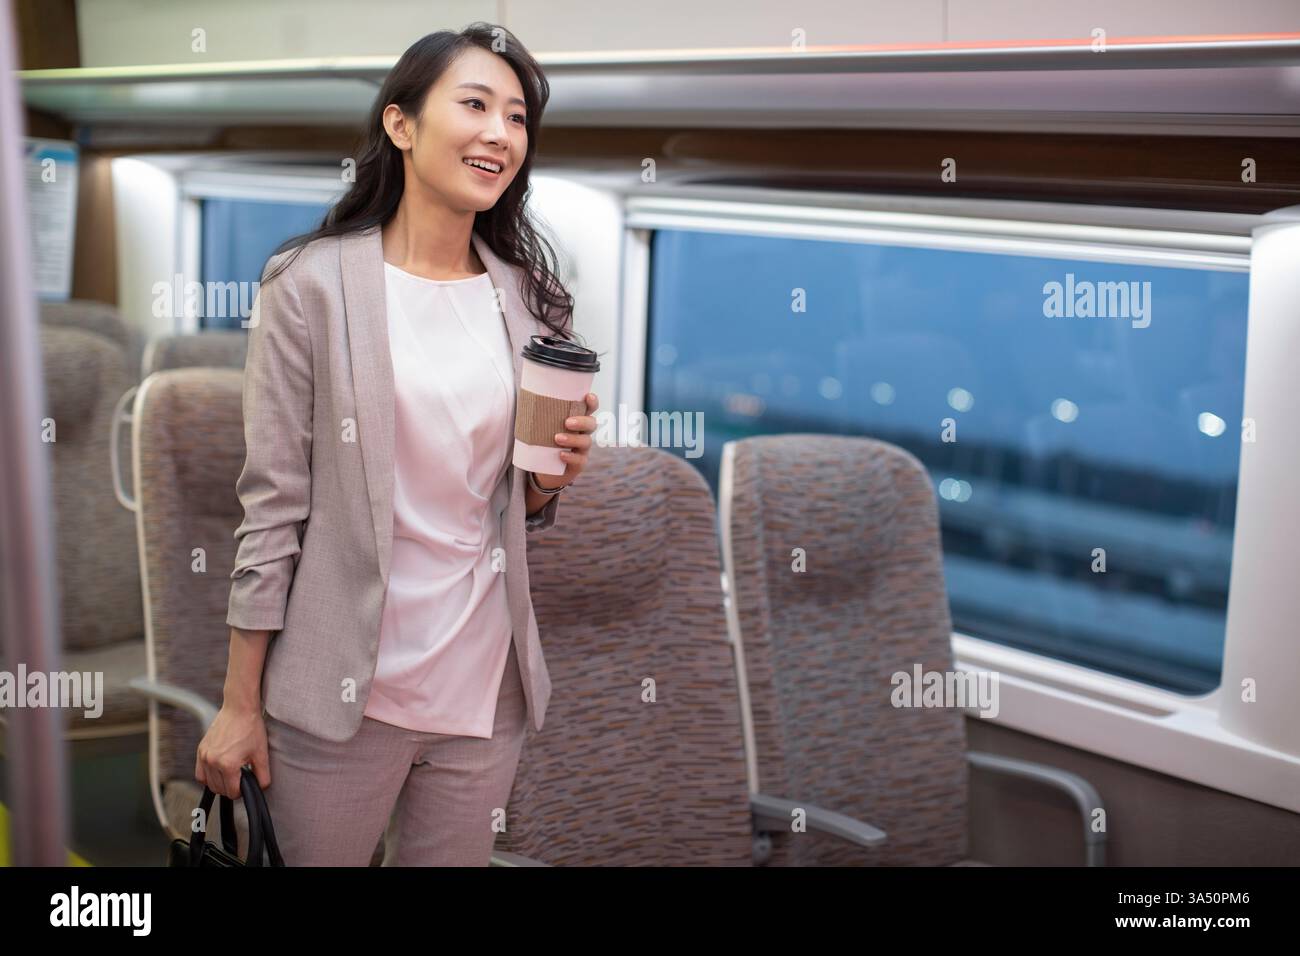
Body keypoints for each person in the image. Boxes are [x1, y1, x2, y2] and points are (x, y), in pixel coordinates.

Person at [195, 23, 596, 866]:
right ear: (401, 125)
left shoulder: (532, 299)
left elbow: (513, 504)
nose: (500, 133)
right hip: (344, 691)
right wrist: (238, 705)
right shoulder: (309, 285)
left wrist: (552, 480)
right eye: (476, 104)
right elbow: (272, 509)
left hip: (483, 688)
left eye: (518, 117)